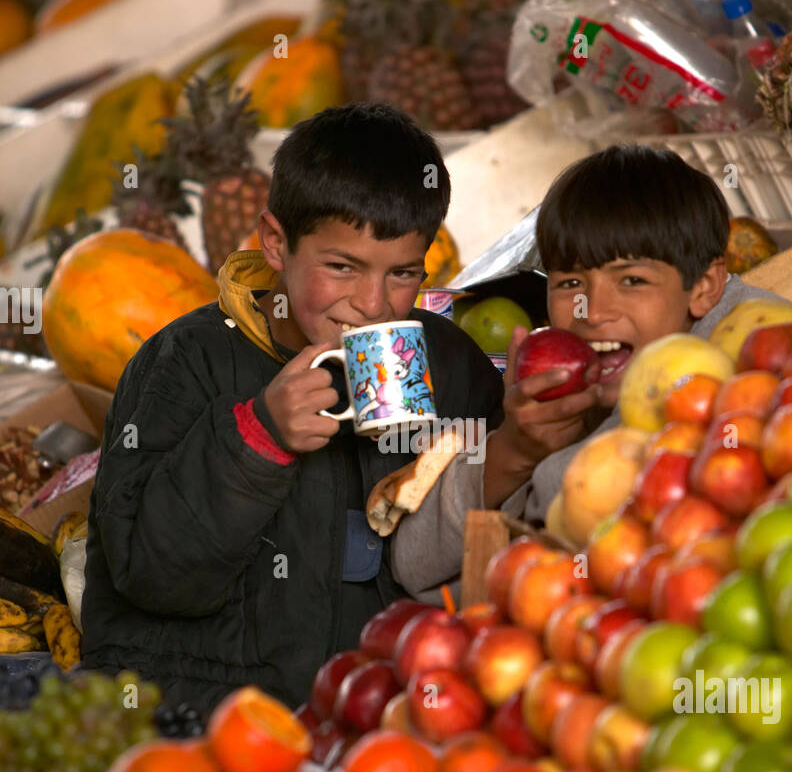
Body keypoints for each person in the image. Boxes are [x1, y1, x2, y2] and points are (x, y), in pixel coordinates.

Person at [81, 104, 504, 714]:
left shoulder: (447, 366)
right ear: (276, 243)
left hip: (376, 717)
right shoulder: (185, 362)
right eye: (341, 268)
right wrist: (259, 436)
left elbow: (491, 541)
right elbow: (151, 573)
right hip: (203, 716)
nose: (373, 305)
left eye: (403, 274)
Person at [392, 143, 792, 600]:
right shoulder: (555, 398)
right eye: (570, 283)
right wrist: (515, 450)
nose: (594, 310)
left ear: (703, 287)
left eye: (632, 280)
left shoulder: (749, 369)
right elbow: (412, 564)